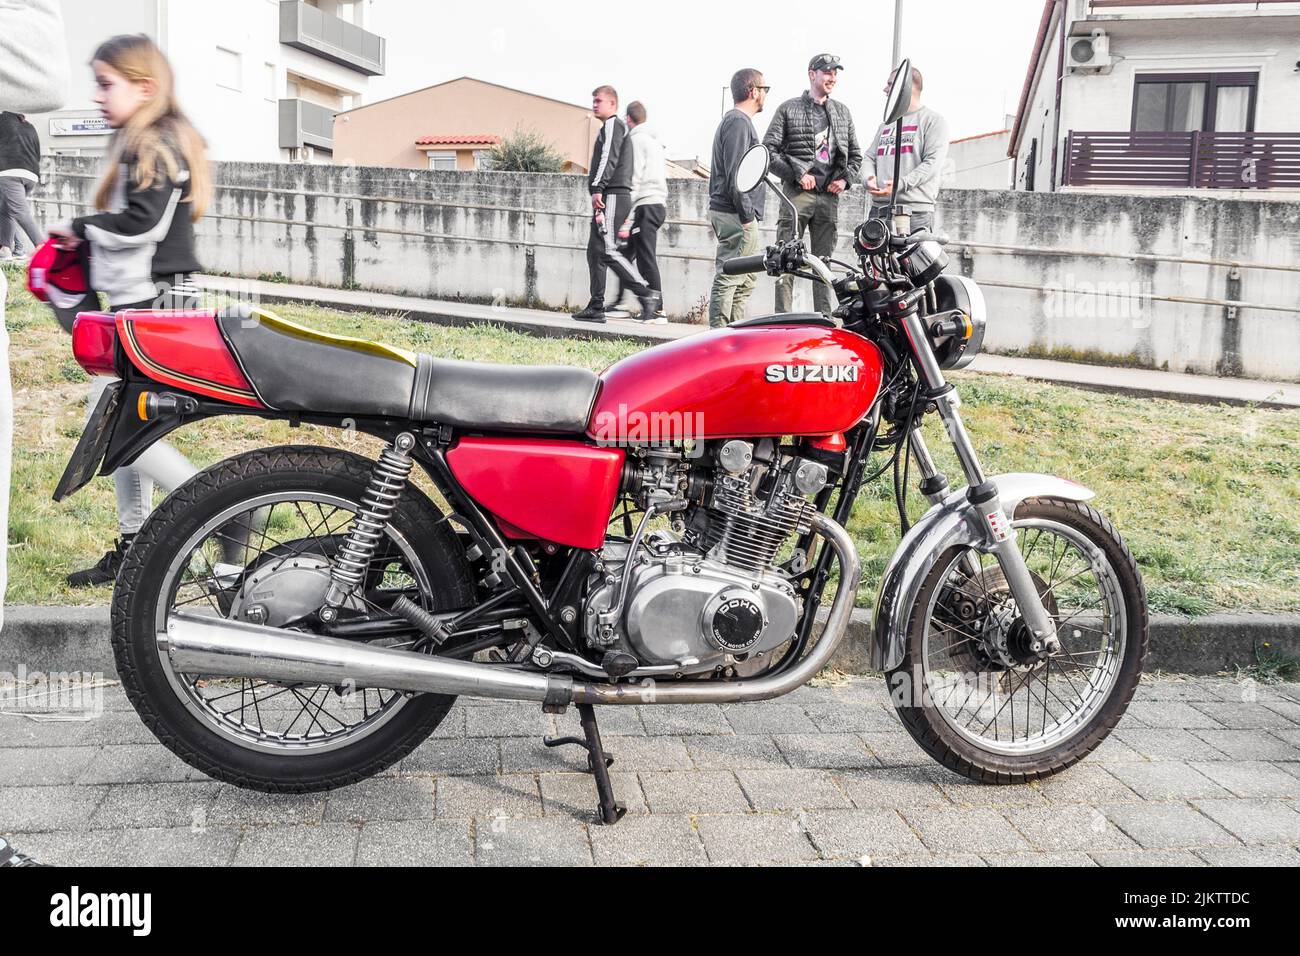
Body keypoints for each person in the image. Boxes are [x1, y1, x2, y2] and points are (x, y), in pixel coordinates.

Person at [46, 34, 215, 588]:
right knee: (126, 423)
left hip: (155, 303)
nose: (95, 95)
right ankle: (134, 544)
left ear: (144, 86)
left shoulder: (155, 142)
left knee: (118, 423)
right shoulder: (149, 138)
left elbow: (144, 224)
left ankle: (218, 509)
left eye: (104, 83)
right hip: (151, 299)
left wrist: (76, 229)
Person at [1, 0, 68, 643]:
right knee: (11, 214)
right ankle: (22, 251)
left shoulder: (13, 113)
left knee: (17, 212)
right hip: (19, 169)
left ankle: (37, 251)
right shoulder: (20, 119)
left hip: (11, 173)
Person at [763, 53, 862, 316]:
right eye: (827, 72)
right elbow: (768, 153)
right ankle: (782, 319)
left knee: (824, 264)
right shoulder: (788, 108)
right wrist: (797, 174)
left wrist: (845, 180)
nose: (832, 77)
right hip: (796, 195)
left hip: (828, 198)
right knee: (786, 259)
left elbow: (856, 156)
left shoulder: (842, 112)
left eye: (835, 73)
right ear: (812, 74)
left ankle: (825, 320)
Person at [573, 85, 661, 324]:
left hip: (612, 194)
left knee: (609, 249)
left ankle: (646, 293)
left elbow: (607, 158)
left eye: (598, 101)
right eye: (593, 101)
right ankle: (596, 306)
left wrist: (598, 188)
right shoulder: (610, 126)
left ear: (612, 105)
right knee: (595, 252)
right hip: (609, 195)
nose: (594, 105)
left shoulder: (613, 124)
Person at [707, 68, 768, 329]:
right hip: (736, 215)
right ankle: (718, 338)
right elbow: (738, 174)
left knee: (745, 279)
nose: (765, 94)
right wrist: (746, 216)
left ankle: (735, 336)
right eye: (764, 89)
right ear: (753, 91)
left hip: (737, 213)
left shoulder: (737, 122)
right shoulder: (738, 123)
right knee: (731, 276)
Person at [866, 65, 949, 233]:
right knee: (872, 260)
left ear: (905, 87)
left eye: (890, 84)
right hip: (879, 210)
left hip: (915, 213)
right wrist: (867, 178)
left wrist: (900, 184)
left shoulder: (933, 121)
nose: (885, 89)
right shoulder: (886, 125)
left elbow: (932, 164)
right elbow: (869, 157)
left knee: (910, 260)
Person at [619, 100, 668, 324]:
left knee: (645, 259)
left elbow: (635, 178)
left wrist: (625, 217)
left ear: (629, 119)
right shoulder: (655, 141)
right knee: (625, 255)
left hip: (646, 204)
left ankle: (658, 310)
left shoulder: (636, 140)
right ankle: (620, 303)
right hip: (656, 204)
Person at [0, 111, 43, 260]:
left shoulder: (1, 121)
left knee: (19, 211)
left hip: (9, 172)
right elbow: (38, 152)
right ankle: (5, 249)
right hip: (31, 174)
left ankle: (42, 247)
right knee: (7, 209)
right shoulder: (29, 126)